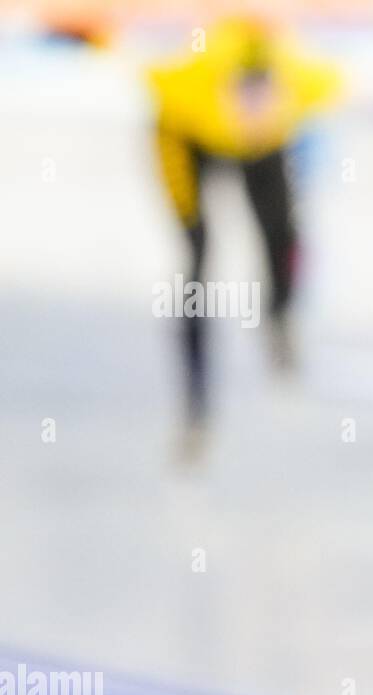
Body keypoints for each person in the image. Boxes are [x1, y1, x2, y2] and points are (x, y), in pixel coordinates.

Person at [146, 15, 341, 461]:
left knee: (285, 232)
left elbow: (352, 82)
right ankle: (196, 402)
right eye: (246, 104)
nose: (252, 116)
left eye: (263, 105)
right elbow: (127, 56)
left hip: (264, 148)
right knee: (197, 259)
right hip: (185, 137)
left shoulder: (303, 87)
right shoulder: (184, 87)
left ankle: (279, 318)